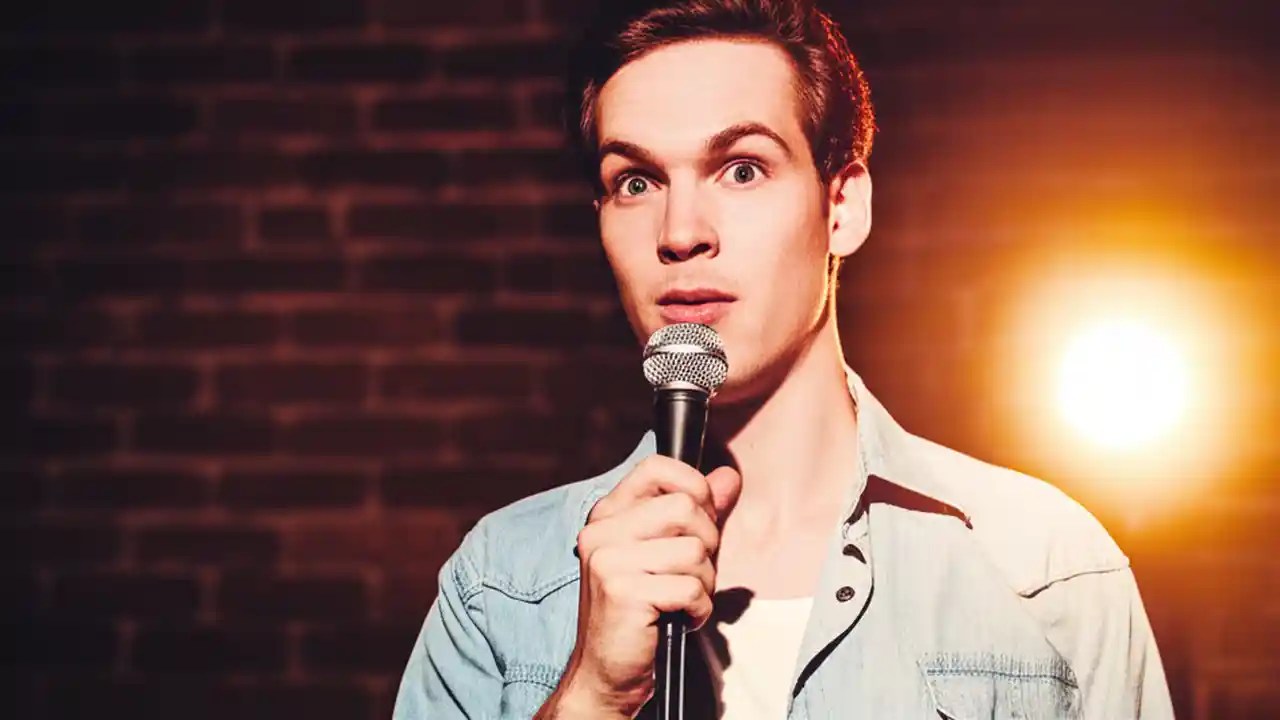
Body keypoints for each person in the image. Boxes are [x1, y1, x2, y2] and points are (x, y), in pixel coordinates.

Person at [393, 1, 1174, 717]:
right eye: (635, 181)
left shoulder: (1042, 571)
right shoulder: (501, 586)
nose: (680, 232)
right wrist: (591, 695)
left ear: (842, 207)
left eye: (742, 169)